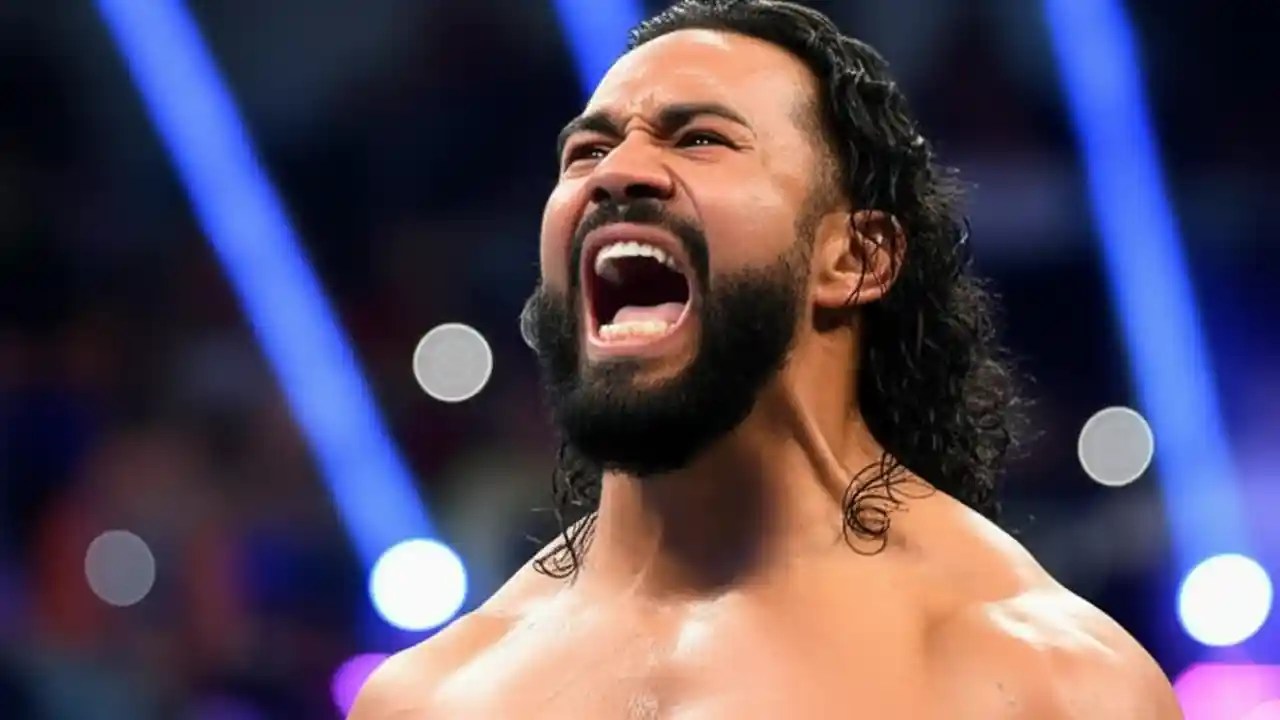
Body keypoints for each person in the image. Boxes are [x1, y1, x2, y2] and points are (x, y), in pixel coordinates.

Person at [351, 1, 1183, 717]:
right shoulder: (435, 696)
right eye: (585, 153)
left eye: (702, 139)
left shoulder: (1039, 682)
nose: (620, 173)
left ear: (854, 258)